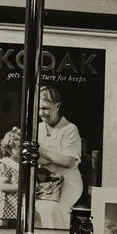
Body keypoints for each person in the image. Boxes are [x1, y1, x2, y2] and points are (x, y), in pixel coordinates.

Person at [34, 86, 84, 226]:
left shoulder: (70, 129)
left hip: (68, 181)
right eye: (39, 109)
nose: (41, 113)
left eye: (45, 108)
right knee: (34, 210)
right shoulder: (37, 129)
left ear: (57, 106)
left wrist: (41, 150)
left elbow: (68, 161)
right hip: (46, 182)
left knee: (55, 211)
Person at [0, 126, 22, 221]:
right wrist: (22, 187)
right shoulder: (5, 164)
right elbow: (1, 186)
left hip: (18, 204)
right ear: (8, 148)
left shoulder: (23, 165)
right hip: (7, 206)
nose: (22, 150)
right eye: (19, 147)